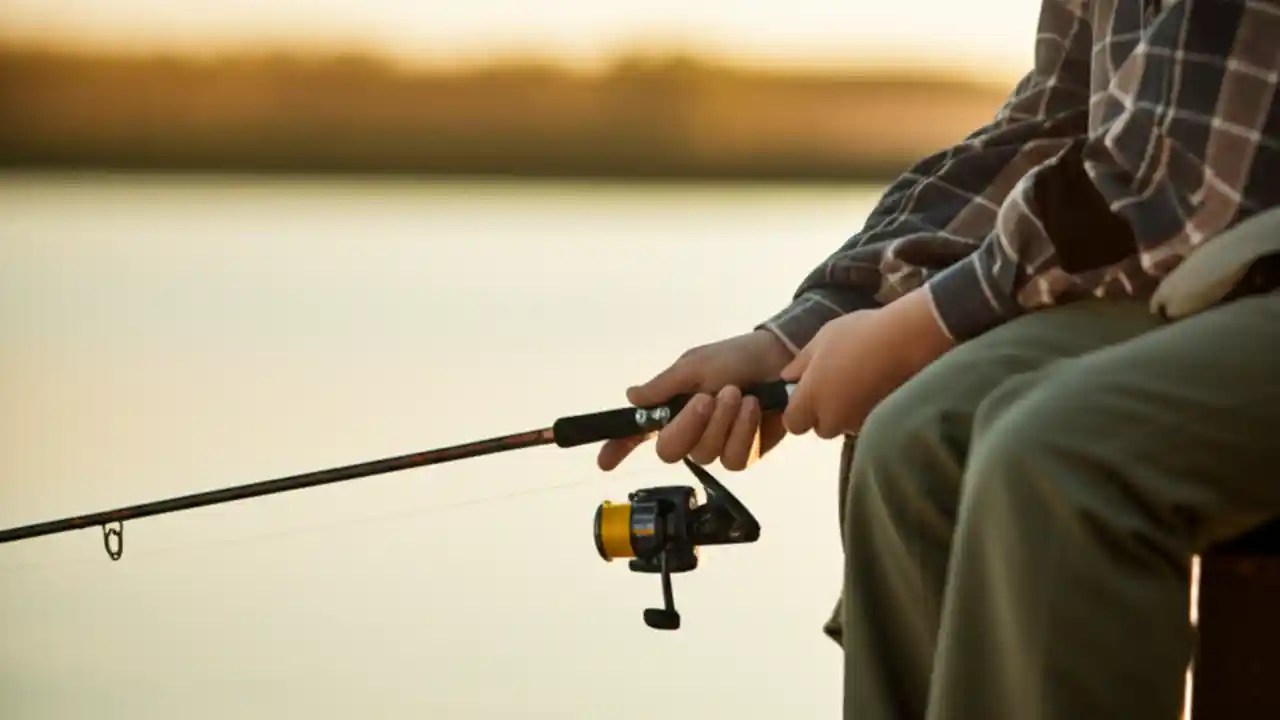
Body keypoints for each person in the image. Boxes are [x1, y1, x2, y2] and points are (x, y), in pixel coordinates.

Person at [598, 0, 1280, 718]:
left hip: (1236, 258)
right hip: (1211, 268)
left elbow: (1174, 182)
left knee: (1055, 458)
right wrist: (796, 336)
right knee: (911, 433)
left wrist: (917, 327)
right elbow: (1049, 130)